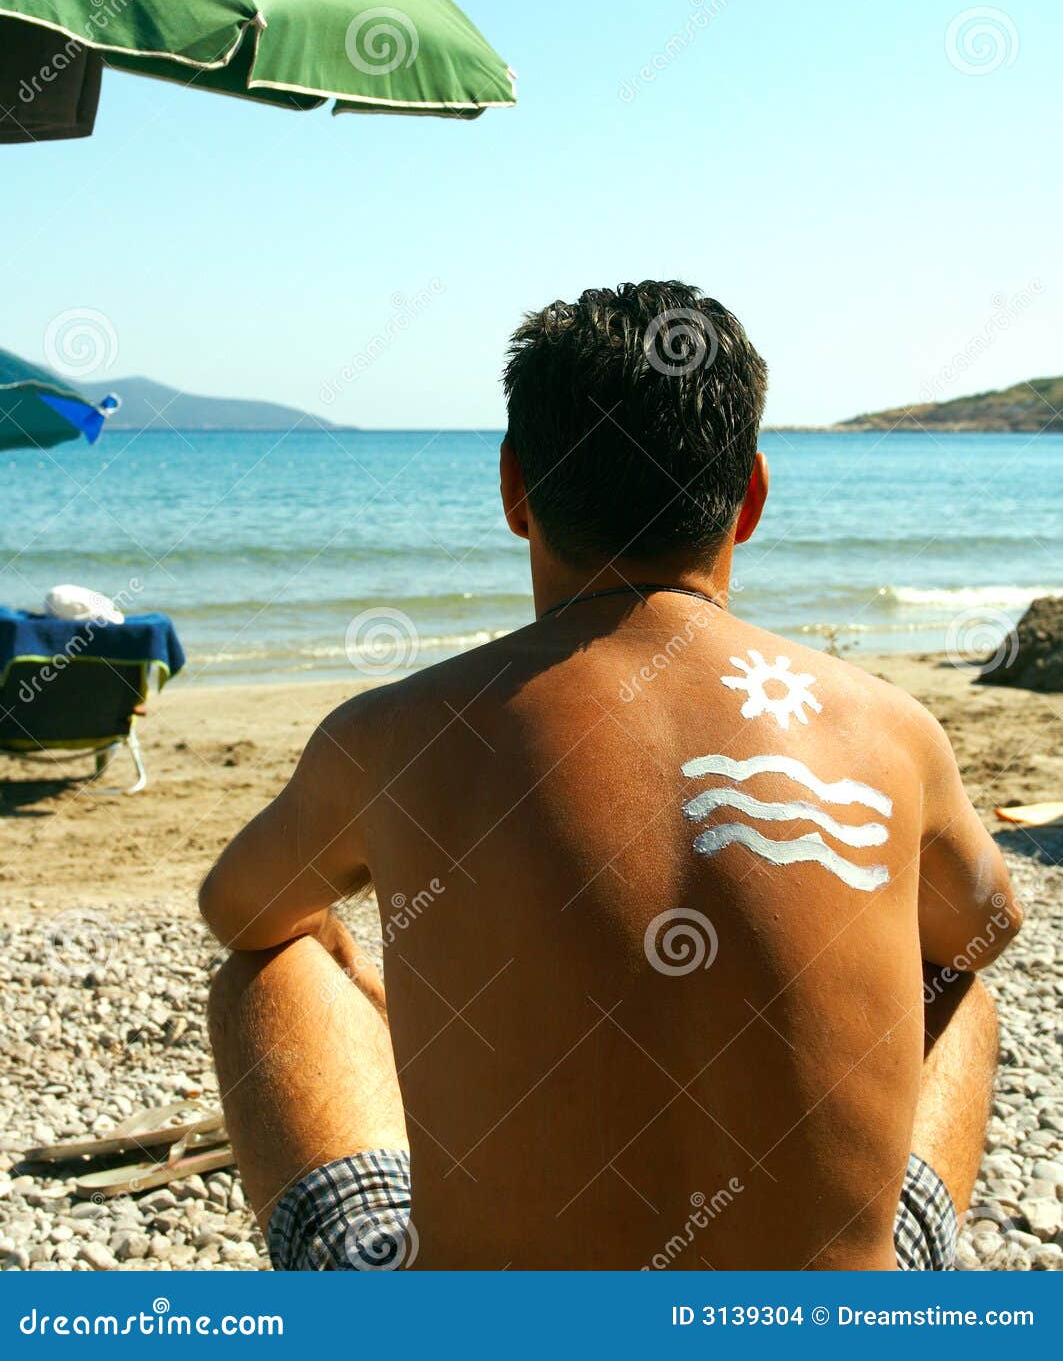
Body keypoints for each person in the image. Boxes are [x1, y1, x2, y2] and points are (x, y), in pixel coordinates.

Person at [200, 280, 1021, 1271]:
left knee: (269, 966)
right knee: (953, 984)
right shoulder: (887, 727)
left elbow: (235, 909)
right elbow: (988, 924)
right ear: (751, 498)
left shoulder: (391, 733)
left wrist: (339, 941)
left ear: (514, 490)